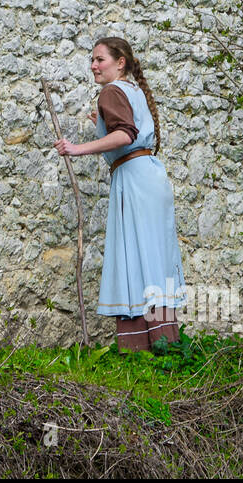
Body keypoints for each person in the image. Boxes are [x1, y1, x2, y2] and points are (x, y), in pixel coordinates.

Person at [53, 37, 186, 351]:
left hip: (136, 182)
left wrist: (77, 148)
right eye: (93, 60)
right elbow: (131, 130)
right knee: (150, 259)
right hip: (150, 176)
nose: (94, 66)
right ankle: (164, 344)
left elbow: (125, 134)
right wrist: (101, 124)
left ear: (120, 62)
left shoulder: (112, 91)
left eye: (100, 59)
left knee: (134, 259)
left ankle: (140, 348)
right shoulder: (133, 90)